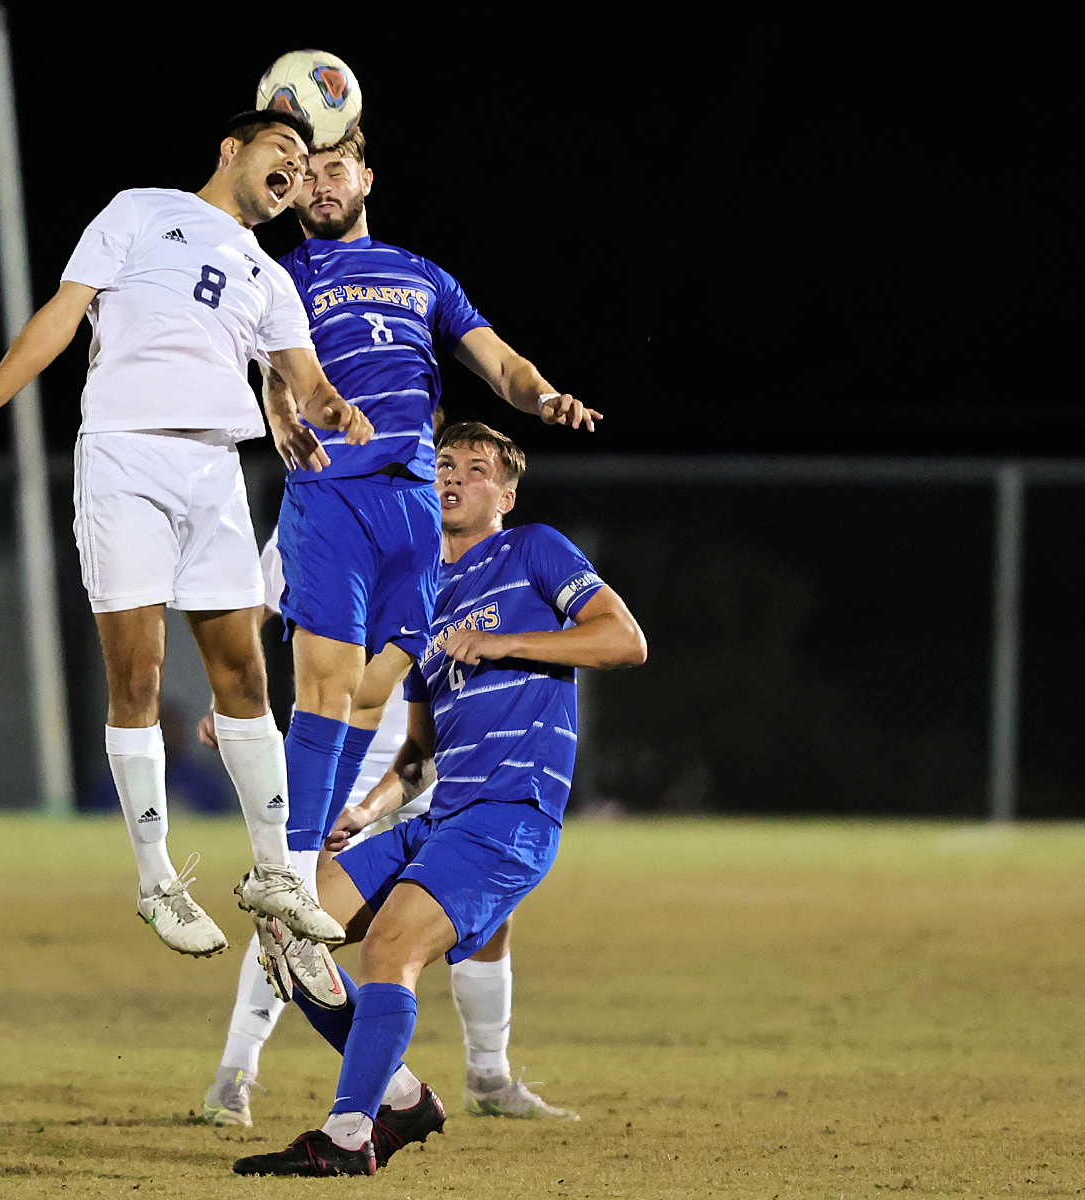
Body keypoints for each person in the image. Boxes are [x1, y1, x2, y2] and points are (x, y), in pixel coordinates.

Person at [0, 109, 373, 959]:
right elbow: (63, 316)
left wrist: (334, 410)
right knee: (138, 673)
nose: (293, 166)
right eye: (280, 150)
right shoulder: (140, 210)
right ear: (231, 150)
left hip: (212, 470)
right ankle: (155, 881)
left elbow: (306, 381)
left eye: (303, 157)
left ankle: (274, 873)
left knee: (245, 675)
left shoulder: (269, 277)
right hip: (124, 458)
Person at [232, 422, 648, 1176]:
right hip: (437, 817)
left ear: (506, 494)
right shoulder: (422, 592)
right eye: (445, 464)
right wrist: (369, 810)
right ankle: (401, 1097)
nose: (455, 477)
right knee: (287, 929)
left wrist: (504, 642)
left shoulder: (533, 551)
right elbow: (421, 755)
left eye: (477, 469)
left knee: (391, 946)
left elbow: (624, 639)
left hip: (511, 816)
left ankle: (350, 1137)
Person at [253, 130, 603, 1013]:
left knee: (376, 690)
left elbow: (500, 364)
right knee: (329, 685)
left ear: (366, 177)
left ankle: (306, 866)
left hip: (408, 505)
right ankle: (293, 867)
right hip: (335, 489)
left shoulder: (423, 275)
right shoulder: (284, 277)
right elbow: (269, 367)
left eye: (338, 170)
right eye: (307, 178)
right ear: (289, 195)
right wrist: (283, 413)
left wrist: (543, 393)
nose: (323, 186)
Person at [200, 529, 580, 1126]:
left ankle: (485, 1073)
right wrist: (238, 702)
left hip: (443, 772)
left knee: (480, 913)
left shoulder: (460, 550)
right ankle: (239, 1070)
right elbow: (261, 606)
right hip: (342, 750)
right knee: (296, 911)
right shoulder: (323, 500)